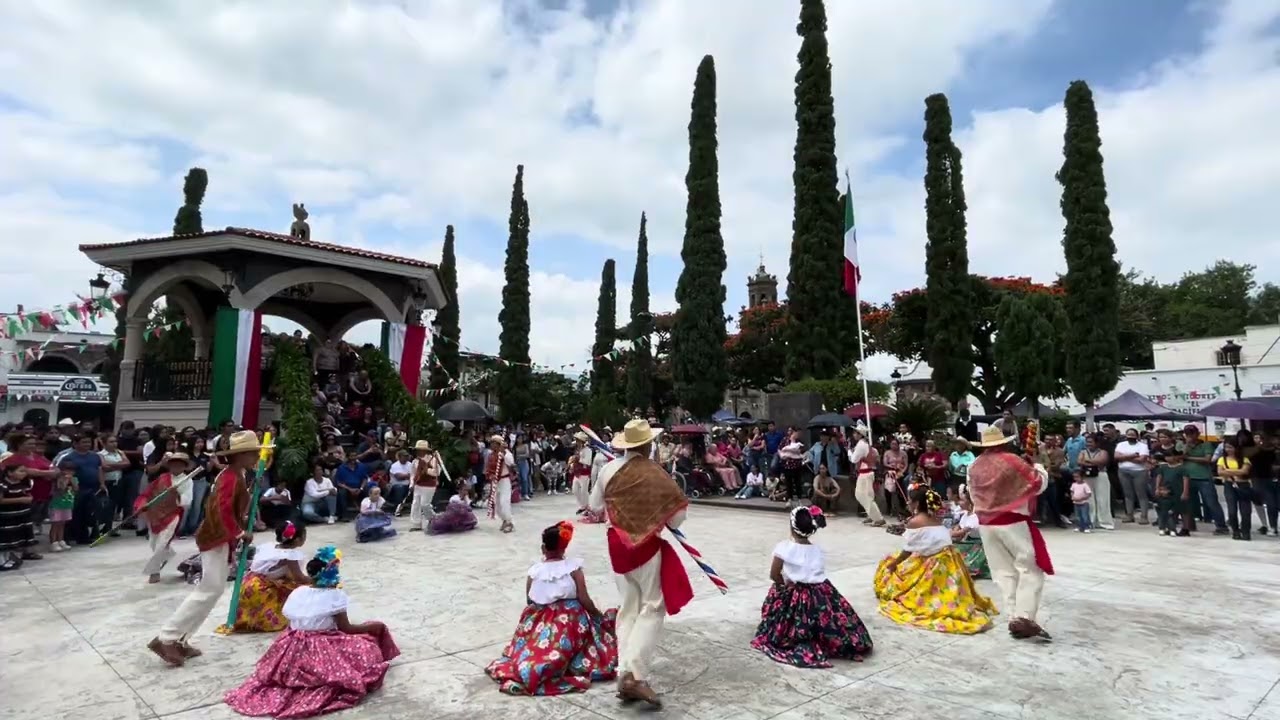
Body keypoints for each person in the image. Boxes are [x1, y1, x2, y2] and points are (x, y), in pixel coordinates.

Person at [223, 546, 399, 718]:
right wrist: (374, 626)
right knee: (367, 650)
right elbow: (346, 628)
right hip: (321, 645)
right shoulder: (334, 597)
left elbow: (291, 621)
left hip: (291, 645)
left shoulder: (298, 591)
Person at [588, 419, 692, 708]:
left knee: (629, 609)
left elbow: (595, 507)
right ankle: (636, 675)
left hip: (617, 546)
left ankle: (625, 673)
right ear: (647, 444)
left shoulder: (608, 470)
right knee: (652, 607)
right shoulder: (655, 473)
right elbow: (676, 518)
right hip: (646, 547)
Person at [148, 430, 259, 666]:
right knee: (208, 589)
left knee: (213, 589)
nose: (257, 456)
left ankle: (180, 639)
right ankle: (167, 637)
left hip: (221, 538)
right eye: (254, 452)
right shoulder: (230, 477)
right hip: (215, 537)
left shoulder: (237, 474)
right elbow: (221, 510)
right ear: (241, 454)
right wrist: (239, 532)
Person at [486, 521, 618, 695]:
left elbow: (529, 600)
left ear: (543, 548)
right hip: (568, 621)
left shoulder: (535, 572)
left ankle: (532, 662)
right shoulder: (573, 569)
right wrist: (597, 616)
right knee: (584, 633)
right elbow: (584, 600)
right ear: (564, 548)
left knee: (538, 645)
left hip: (539, 618)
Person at [751, 506, 872, 667]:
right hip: (820, 593)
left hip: (796, 594)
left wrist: (784, 585)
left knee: (778, 598)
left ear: (791, 527)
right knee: (834, 619)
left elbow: (774, 575)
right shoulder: (817, 550)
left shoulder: (783, 548)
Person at [966, 426, 1055, 641]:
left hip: (986, 524)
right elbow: (1038, 483)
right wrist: (1038, 465)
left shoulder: (973, 465)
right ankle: (1024, 617)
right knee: (1029, 568)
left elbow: (970, 492)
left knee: (1003, 572)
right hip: (1012, 521)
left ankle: (1013, 617)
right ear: (1003, 442)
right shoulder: (1012, 460)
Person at [873, 484, 996, 634]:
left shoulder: (915, 521)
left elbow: (907, 551)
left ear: (917, 503)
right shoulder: (934, 518)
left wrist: (894, 564)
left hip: (936, 563)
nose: (907, 503)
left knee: (890, 562)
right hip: (951, 561)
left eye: (909, 500)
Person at [218, 520, 310, 633]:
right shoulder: (290, 556)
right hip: (262, 589)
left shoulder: (270, 547)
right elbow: (299, 578)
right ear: (298, 540)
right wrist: (317, 580)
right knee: (298, 589)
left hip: (248, 583)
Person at [138, 453, 197, 583]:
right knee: (154, 543)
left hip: (172, 515)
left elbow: (187, 501)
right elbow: (147, 494)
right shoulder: (162, 478)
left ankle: (154, 572)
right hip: (155, 514)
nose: (176, 466)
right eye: (173, 463)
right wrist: (143, 505)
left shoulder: (188, 480)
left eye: (179, 464)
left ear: (184, 466)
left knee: (161, 543)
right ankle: (168, 554)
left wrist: (176, 494)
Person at [0, 460, 41, 570]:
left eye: (25, 471)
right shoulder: (3, 485)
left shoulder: (23, 484)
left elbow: (27, 494)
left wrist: (28, 499)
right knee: (7, 539)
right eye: (21, 471)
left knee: (16, 538)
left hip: (21, 516)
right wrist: (20, 500)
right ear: (10, 472)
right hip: (8, 518)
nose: (24, 474)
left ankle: (10, 557)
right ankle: (2, 561)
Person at [949, 485, 988, 579]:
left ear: (970, 502)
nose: (959, 502)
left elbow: (961, 532)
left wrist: (945, 533)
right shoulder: (966, 514)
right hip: (969, 541)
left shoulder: (975, 516)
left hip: (978, 544)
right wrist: (953, 531)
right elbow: (958, 527)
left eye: (962, 500)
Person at [1217, 440, 1254, 541]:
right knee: (1232, 511)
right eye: (1226, 447)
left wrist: (1227, 471)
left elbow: (1245, 471)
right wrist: (1237, 472)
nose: (1228, 450)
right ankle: (1236, 531)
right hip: (1229, 486)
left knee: (1245, 511)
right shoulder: (1222, 459)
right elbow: (1220, 472)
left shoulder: (1244, 459)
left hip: (1243, 485)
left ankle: (1246, 532)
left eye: (1230, 447)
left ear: (1237, 448)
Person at [1077, 434, 1115, 531]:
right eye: (1087, 442)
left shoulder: (1103, 452)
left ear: (1097, 443)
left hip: (1100, 475)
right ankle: (1090, 521)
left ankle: (1104, 522)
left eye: (1091, 442)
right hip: (1087, 476)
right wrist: (1093, 462)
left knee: (1103, 499)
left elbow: (1102, 461)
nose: (1088, 444)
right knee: (1089, 499)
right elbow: (1079, 461)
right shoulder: (1083, 451)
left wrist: (1087, 461)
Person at [847, 428, 883, 526]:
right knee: (867, 495)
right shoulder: (863, 444)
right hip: (865, 473)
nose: (854, 434)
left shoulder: (861, 445)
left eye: (856, 433)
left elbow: (854, 460)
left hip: (865, 473)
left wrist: (849, 452)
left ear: (860, 434)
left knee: (862, 495)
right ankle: (871, 515)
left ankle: (878, 518)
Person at [1153, 446, 1190, 537]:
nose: (1168, 458)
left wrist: (1185, 492)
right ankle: (1168, 527)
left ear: (1176, 457)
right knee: (1167, 510)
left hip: (1178, 490)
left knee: (1183, 510)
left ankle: (1186, 528)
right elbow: (1159, 477)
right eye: (1166, 456)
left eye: (1170, 456)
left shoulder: (1182, 468)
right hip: (1167, 491)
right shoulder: (1163, 467)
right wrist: (1157, 488)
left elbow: (1186, 480)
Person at [485, 435, 516, 533]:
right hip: (495, 482)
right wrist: (490, 476)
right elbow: (488, 469)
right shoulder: (490, 455)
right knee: (497, 504)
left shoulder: (506, 454)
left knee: (504, 502)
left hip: (504, 481)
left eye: (494, 443)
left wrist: (504, 453)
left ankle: (509, 522)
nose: (492, 445)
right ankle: (504, 520)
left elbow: (511, 463)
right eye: (491, 443)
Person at [408, 441, 440, 531]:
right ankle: (416, 524)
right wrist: (411, 484)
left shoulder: (432, 460)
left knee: (425, 504)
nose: (419, 452)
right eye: (418, 450)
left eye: (421, 450)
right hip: (418, 485)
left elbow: (437, 472)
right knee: (415, 504)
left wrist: (426, 471)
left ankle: (433, 519)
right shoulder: (415, 461)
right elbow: (413, 474)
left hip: (429, 485)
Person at [47, 463, 77, 551]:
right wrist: (66, 480)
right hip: (56, 504)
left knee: (62, 523)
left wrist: (72, 481)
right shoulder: (58, 479)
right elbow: (61, 490)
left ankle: (61, 540)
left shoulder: (74, 479)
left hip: (67, 504)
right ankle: (53, 542)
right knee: (55, 524)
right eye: (67, 470)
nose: (69, 472)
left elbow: (76, 489)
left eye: (71, 471)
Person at [570, 432, 593, 514]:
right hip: (577, 472)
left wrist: (578, 459)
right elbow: (574, 460)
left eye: (578, 440)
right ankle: (582, 506)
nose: (577, 442)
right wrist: (572, 465)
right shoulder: (577, 450)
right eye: (576, 440)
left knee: (584, 491)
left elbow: (588, 462)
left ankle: (586, 507)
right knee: (575, 490)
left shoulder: (588, 450)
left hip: (584, 473)